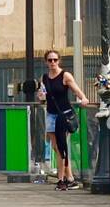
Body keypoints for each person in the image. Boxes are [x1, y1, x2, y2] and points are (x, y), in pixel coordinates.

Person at [38, 50, 90, 190]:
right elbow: (43, 97)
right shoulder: (44, 77)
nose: (52, 62)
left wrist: (83, 98)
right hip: (51, 114)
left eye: (55, 59)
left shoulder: (65, 75)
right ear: (46, 62)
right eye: (50, 60)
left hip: (64, 114)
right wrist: (41, 96)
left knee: (62, 148)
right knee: (56, 148)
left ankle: (63, 179)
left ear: (59, 61)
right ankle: (70, 178)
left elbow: (76, 90)